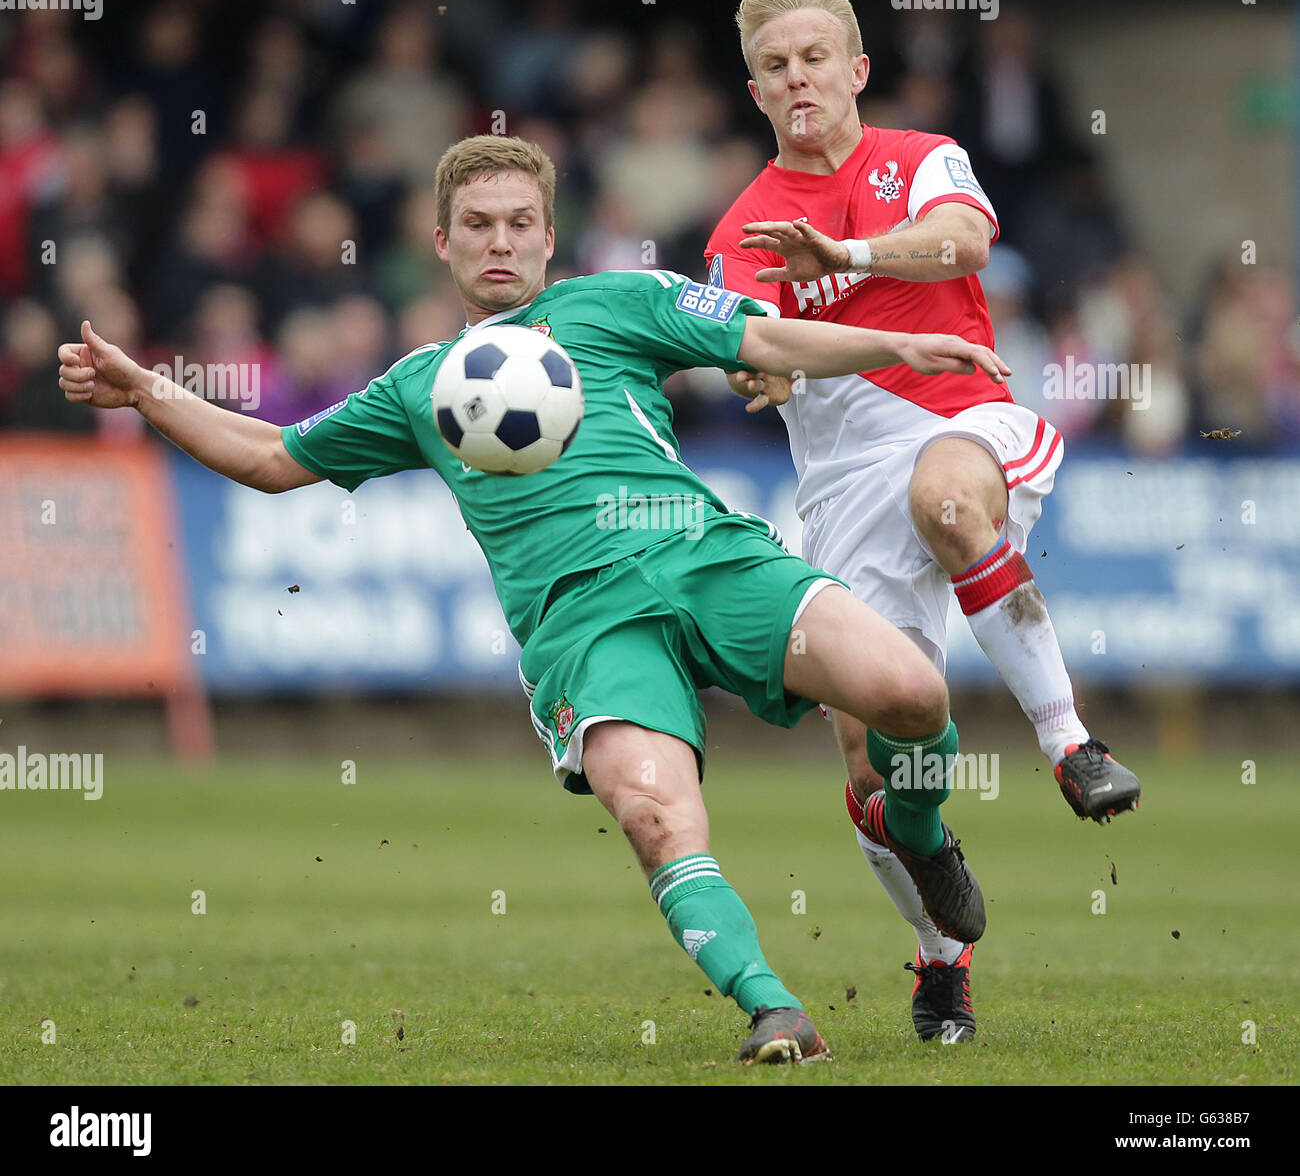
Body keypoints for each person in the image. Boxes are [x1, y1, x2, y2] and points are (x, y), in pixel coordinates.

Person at [59, 135, 1010, 1066]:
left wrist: (893, 340)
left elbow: (759, 334)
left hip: (706, 558)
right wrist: (148, 391)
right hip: (583, 627)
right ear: (442, 242)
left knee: (913, 694)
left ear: (550, 237)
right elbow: (270, 458)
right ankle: (774, 1011)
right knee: (655, 817)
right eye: (477, 224)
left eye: (520, 223)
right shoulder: (418, 386)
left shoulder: (621, 301)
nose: (500, 241)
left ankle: (914, 832)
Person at [705, 0, 1141, 1044]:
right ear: (755, 87)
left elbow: (960, 243)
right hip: (841, 488)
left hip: (962, 419)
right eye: (774, 64)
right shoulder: (741, 226)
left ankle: (1067, 741)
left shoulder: (923, 155)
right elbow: (752, 349)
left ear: (854, 70)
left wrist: (846, 257)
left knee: (946, 496)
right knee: (878, 755)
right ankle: (939, 955)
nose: (796, 76)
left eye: (815, 57)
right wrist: (754, 371)